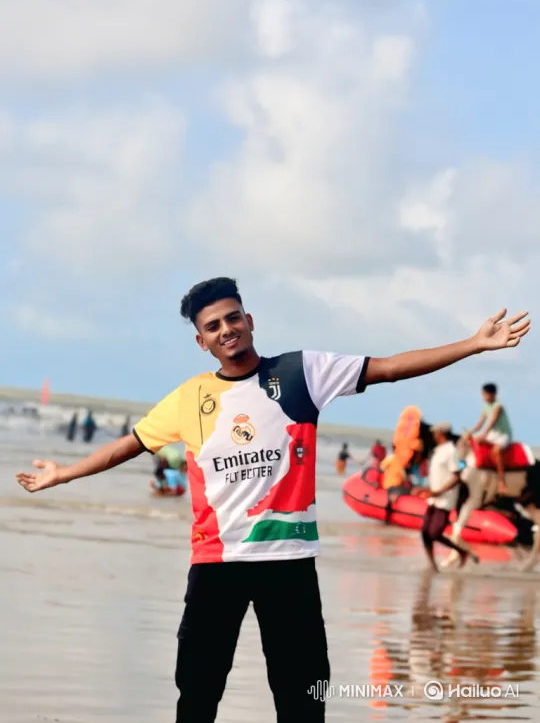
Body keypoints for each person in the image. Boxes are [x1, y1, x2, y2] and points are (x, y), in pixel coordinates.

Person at [14, 279, 529, 723]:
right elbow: (128, 445)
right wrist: (64, 474)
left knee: (305, 696)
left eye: (233, 318)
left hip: (288, 563)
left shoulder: (303, 372)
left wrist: (473, 344)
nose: (226, 330)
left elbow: (391, 367)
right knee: (197, 692)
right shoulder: (190, 397)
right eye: (213, 326)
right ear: (201, 341)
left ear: (249, 319)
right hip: (217, 563)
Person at [421, 422, 477, 571]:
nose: (433, 435)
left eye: (435, 432)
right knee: (425, 532)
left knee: (434, 532)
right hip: (433, 497)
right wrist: (427, 489)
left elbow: (456, 476)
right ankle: (433, 566)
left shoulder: (451, 452)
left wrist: (439, 491)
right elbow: (437, 474)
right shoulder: (437, 451)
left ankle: (461, 551)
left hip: (445, 499)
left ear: (441, 434)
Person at [470, 383, 513, 495]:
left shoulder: (498, 406)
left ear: (492, 394)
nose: (484, 396)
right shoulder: (486, 406)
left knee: (496, 450)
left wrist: (483, 434)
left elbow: (492, 422)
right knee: (473, 443)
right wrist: (470, 433)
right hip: (492, 433)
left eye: (486, 394)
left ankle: (501, 481)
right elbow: (480, 423)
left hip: (502, 434)